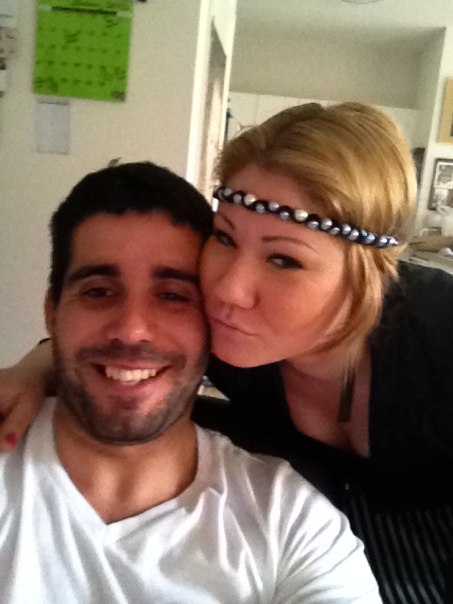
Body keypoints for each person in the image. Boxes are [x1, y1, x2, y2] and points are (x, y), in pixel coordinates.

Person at [1, 102, 453, 602]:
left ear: (367, 274)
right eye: (224, 238)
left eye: (284, 260)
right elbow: (124, 341)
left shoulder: (440, 338)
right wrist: (31, 371)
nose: (227, 290)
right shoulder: (229, 338)